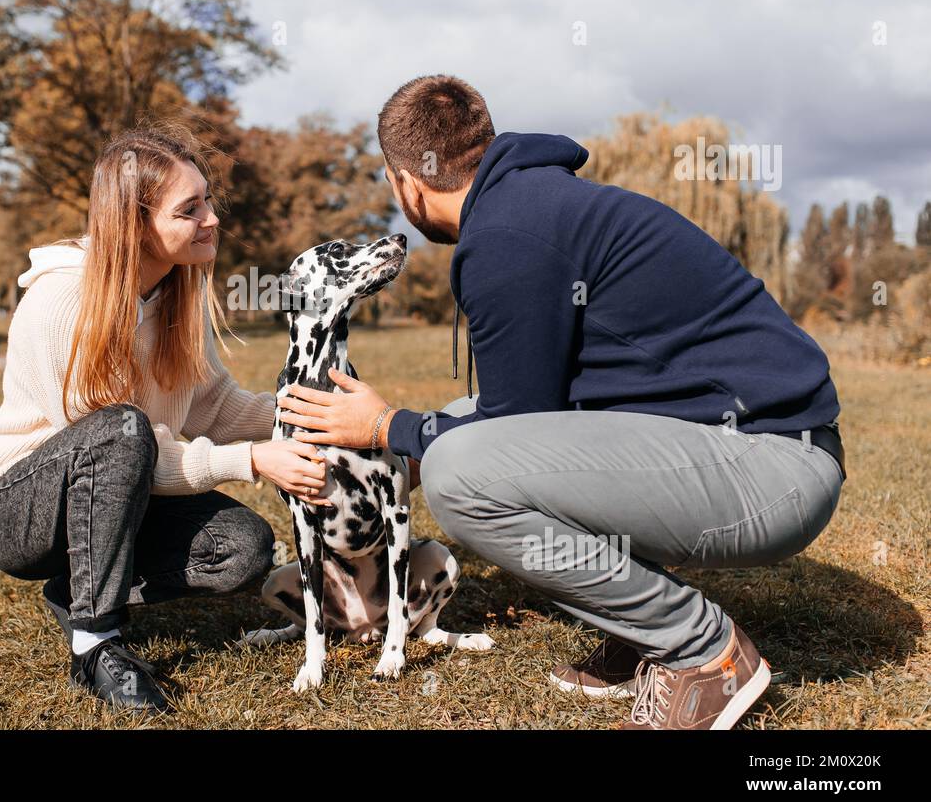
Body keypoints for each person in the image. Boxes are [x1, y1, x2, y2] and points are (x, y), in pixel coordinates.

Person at [279, 74, 845, 730]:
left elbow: (505, 434)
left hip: (772, 470)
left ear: (403, 181)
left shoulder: (507, 236)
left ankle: (701, 651)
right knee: (463, 429)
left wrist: (387, 425)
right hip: (770, 452)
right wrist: (389, 443)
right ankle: (644, 633)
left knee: (460, 475)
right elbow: (522, 412)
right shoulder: (533, 203)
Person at [0, 125, 328, 714]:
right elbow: (118, 446)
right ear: (135, 225)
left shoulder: (176, 291)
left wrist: (305, 416)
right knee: (123, 428)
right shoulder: (64, 299)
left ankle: (76, 590)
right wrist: (253, 461)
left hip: (115, 498)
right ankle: (95, 643)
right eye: (191, 209)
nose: (212, 218)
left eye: (208, 200)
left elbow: (213, 406)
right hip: (18, 514)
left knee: (243, 548)